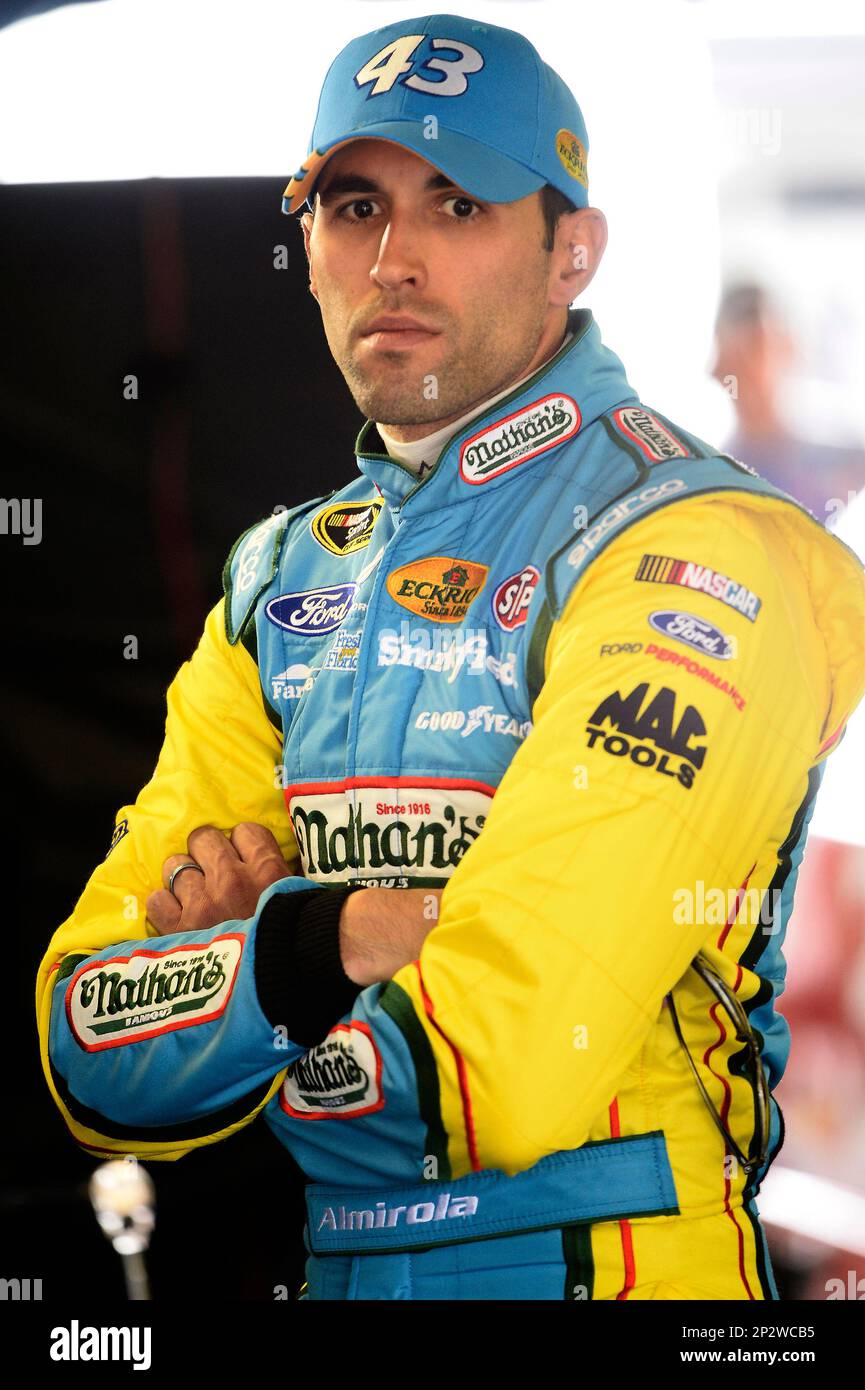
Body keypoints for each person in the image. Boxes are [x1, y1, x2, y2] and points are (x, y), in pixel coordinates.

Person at [36, 12, 865, 1301]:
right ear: (304, 244)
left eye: (459, 203)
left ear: (570, 252)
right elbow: (84, 1052)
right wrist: (323, 946)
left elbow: (489, 1072)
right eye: (354, 205)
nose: (395, 260)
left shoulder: (703, 549)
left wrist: (236, 982)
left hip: (626, 1271)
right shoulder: (279, 578)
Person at [709, 282, 865, 523]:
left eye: (759, 347)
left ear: (789, 348)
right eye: (737, 355)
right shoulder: (714, 481)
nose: (752, 371)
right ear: (719, 368)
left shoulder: (848, 461)